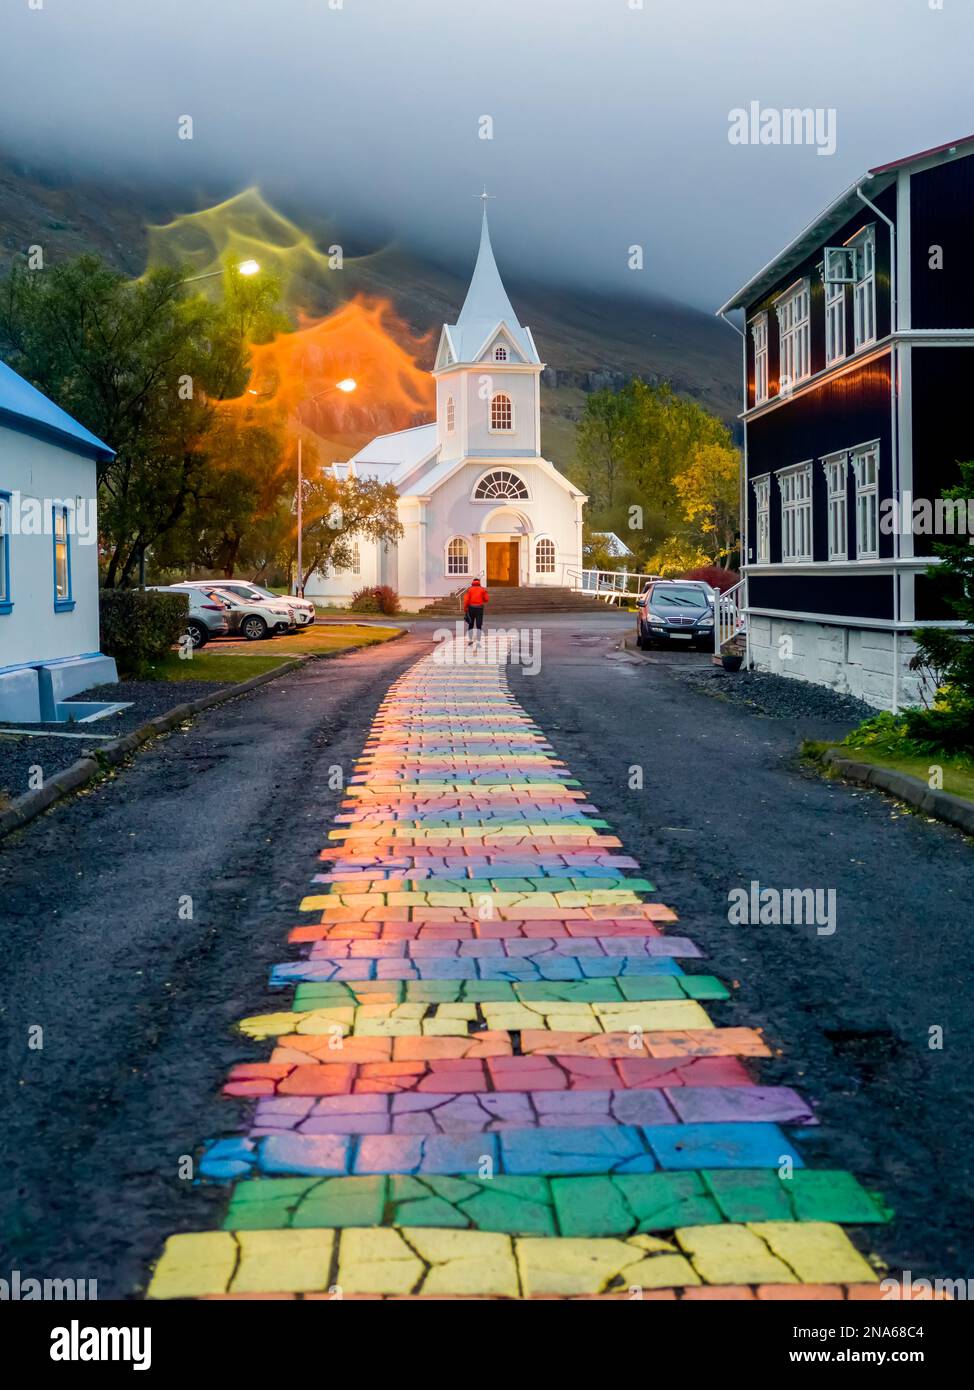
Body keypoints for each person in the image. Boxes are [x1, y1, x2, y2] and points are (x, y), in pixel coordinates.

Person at [463, 577, 489, 641]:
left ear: (473, 582)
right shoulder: (482, 589)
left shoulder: (470, 590)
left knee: (471, 624)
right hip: (479, 608)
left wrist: (465, 608)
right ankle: (478, 640)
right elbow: (486, 599)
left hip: (471, 608)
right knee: (479, 624)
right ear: (479, 582)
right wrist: (482, 599)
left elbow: (466, 600)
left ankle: (470, 639)